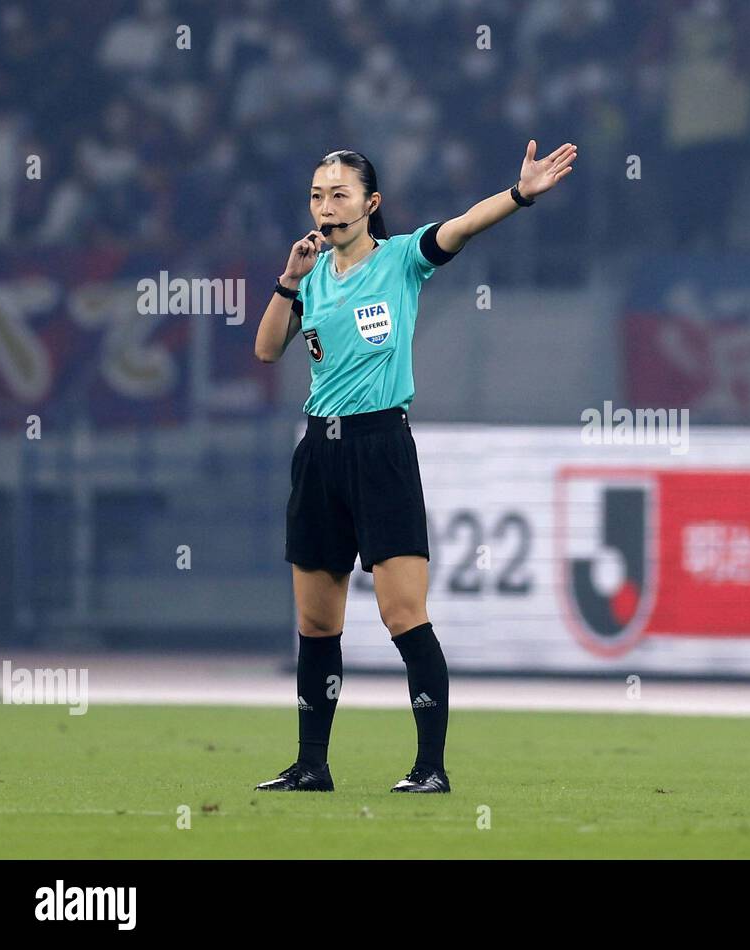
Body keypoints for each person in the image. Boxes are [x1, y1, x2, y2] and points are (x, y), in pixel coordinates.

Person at [251, 142, 577, 793]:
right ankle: (312, 765)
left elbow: (462, 224)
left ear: (372, 204)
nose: (325, 206)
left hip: (381, 451)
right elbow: (266, 350)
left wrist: (518, 195)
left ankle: (430, 767)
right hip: (319, 451)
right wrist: (287, 278)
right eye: (318, 195)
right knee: (316, 624)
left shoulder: (400, 260)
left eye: (340, 194)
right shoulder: (311, 278)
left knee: (403, 615)